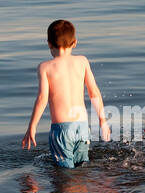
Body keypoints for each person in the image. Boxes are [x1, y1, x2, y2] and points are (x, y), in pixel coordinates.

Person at [22, 19, 110, 167]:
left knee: (64, 174)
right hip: (82, 127)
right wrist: (102, 121)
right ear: (74, 42)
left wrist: (32, 126)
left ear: (49, 43)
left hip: (62, 129)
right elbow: (94, 92)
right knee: (82, 168)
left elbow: (42, 98)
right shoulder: (82, 61)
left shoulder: (45, 67)